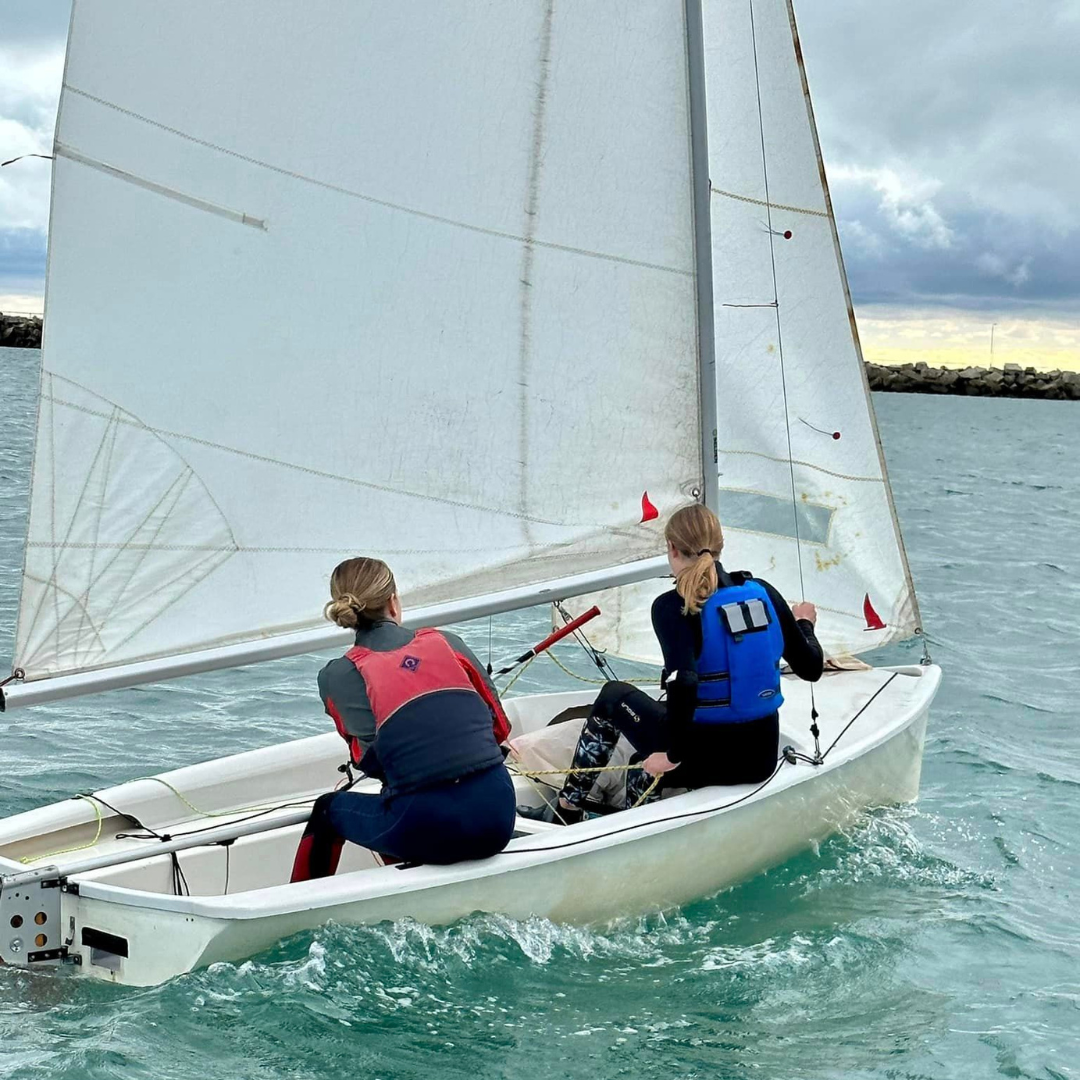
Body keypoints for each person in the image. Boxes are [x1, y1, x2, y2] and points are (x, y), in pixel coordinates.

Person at [554, 503, 823, 821]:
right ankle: (640, 812)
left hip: (701, 759)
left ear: (671, 548)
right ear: (721, 546)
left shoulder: (673, 606)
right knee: (647, 754)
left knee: (614, 696)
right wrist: (804, 624)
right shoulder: (763, 593)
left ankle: (568, 807)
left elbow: (685, 682)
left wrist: (671, 755)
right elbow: (811, 667)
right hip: (759, 758)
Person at [290, 557, 516, 881]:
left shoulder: (336, 675)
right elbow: (499, 729)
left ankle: (299, 907)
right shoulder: (448, 643)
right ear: (393, 602)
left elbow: (369, 761)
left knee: (328, 810)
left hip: (426, 828)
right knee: (403, 795)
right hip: (498, 815)